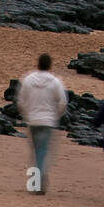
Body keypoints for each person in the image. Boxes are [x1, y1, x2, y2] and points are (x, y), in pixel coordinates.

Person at [16, 54, 68, 195]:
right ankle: (39, 182)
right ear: (50, 65)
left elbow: (21, 101)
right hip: (47, 121)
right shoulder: (55, 82)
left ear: (38, 64)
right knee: (42, 151)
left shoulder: (28, 79)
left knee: (35, 150)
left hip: (33, 120)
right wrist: (55, 115)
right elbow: (63, 102)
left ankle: (35, 183)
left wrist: (26, 114)